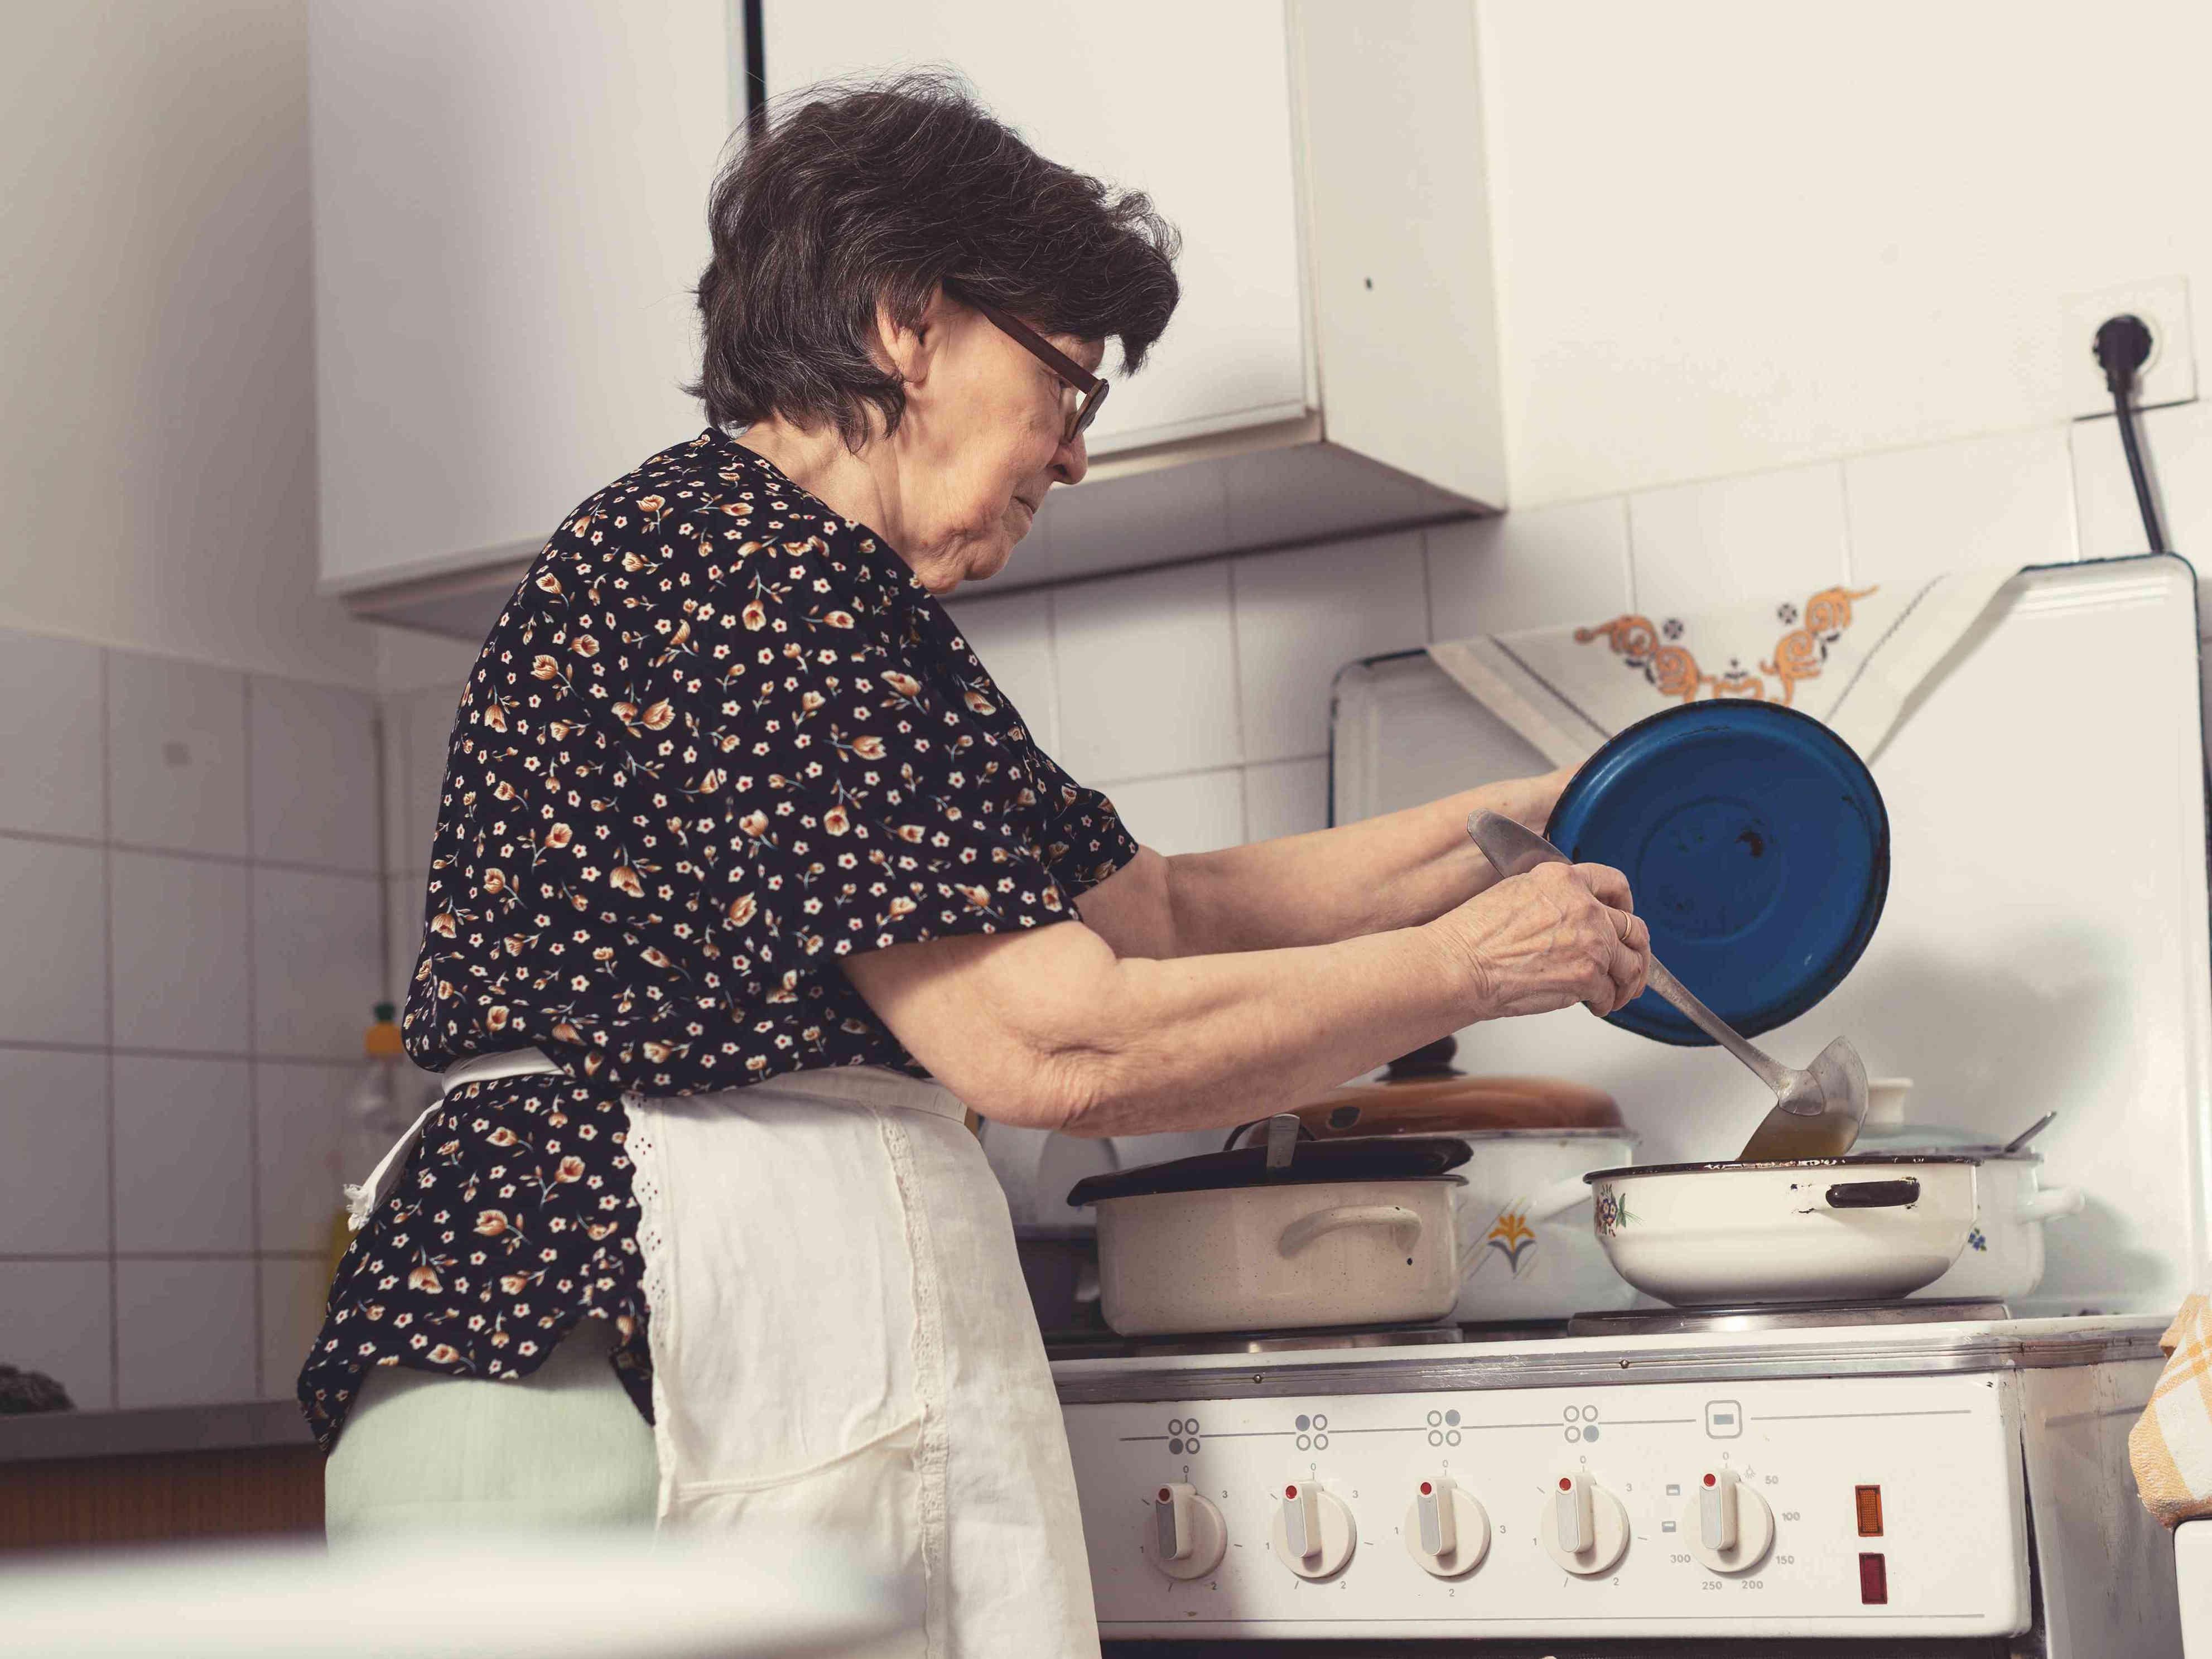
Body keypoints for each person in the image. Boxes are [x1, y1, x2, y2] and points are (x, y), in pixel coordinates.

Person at [299, 75, 1650, 1656]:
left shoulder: (834, 603)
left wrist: (1540, 818)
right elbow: (1049, 1042)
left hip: (622, 1353)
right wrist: (1474, 968)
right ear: (908, 323)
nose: (1071, 456)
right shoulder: (745, 574)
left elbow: (1163, 913)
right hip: (583, 1375)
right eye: (1067, 385)